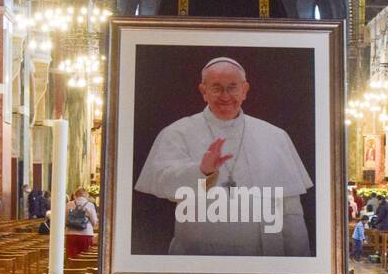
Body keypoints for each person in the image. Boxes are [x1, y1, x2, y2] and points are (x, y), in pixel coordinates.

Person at [134, 56, 313, 256]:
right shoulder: (178, 132)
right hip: (198, 259)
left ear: (244, 90)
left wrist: (300, 265)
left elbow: (290, 211)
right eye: (217, 88)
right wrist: (201, 171)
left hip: (260, 259)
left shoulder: (274, 136)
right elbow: (162, 183)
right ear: (204, 91)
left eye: (232, 87)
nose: (225, 96)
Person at [64, 188, 100, 258]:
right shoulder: (89, 205)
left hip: (71, 234)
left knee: (71, 256)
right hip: (85, 234)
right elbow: (94, 221)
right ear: (86, 195)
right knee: (85, 256)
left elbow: (65, 219)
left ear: (75, 195)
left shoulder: (69, 204)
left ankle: (71, 268)